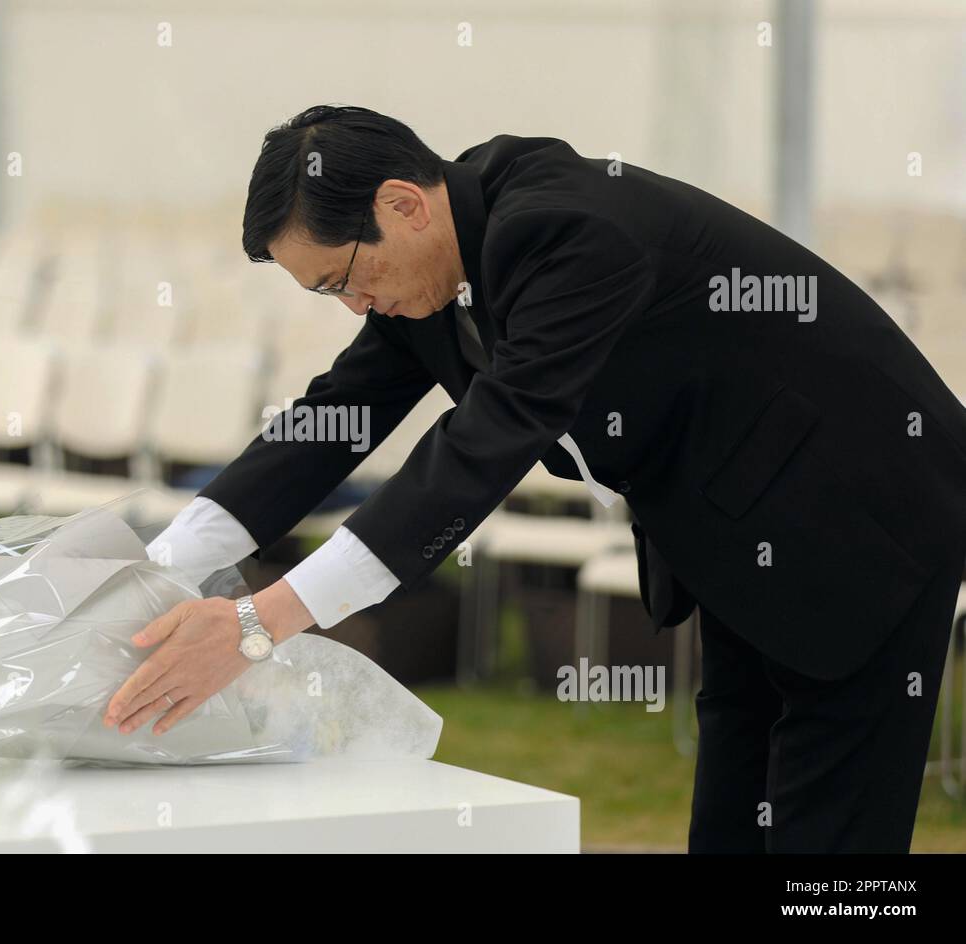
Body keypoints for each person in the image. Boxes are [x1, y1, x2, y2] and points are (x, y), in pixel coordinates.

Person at [103, 104, 966, 853]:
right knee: (733, 818)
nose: (353, 308)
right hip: (740, 536)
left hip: (863, 520)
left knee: (831, 842)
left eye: (344, 280)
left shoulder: (568, 230)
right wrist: (156, 572)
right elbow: (334, 421)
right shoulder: (435, 264)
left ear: (401, 206)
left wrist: (259, 622)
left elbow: (487, 443)